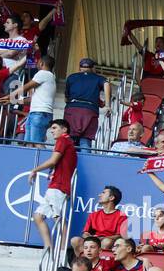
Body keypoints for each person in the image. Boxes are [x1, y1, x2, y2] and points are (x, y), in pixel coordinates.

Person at [26, 119, 77, 251]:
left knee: (57, 218)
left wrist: (34, 170)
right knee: (38, 216)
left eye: (54, 128)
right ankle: (48, 248)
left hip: (58, 187)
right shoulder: (67, 143)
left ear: (64, 129)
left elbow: (53, 161)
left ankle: (62, 252)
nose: (51, 131)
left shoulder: (63, 140)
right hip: (55, 186)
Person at [10, 53, 57, 144]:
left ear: (41, 63)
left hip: (39, 114)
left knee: (36, 144)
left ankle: (48, 158)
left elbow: (25, 87)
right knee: (29, 144)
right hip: (37, 113)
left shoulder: (43, 73)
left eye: (37, 63)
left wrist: (10, 97)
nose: (36, 65)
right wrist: (14, 101)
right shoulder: (49, 77)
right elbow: (32, 99)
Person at [62, 57, 108, 147]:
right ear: (93, 68)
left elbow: (66, 99)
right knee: (85, 140)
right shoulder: (98, 78)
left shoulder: (71, 77)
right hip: (89, 111)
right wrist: (108, 104)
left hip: (72, 110)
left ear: (80, 68)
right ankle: (86, 160)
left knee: (69, 140)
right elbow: (106, 84)